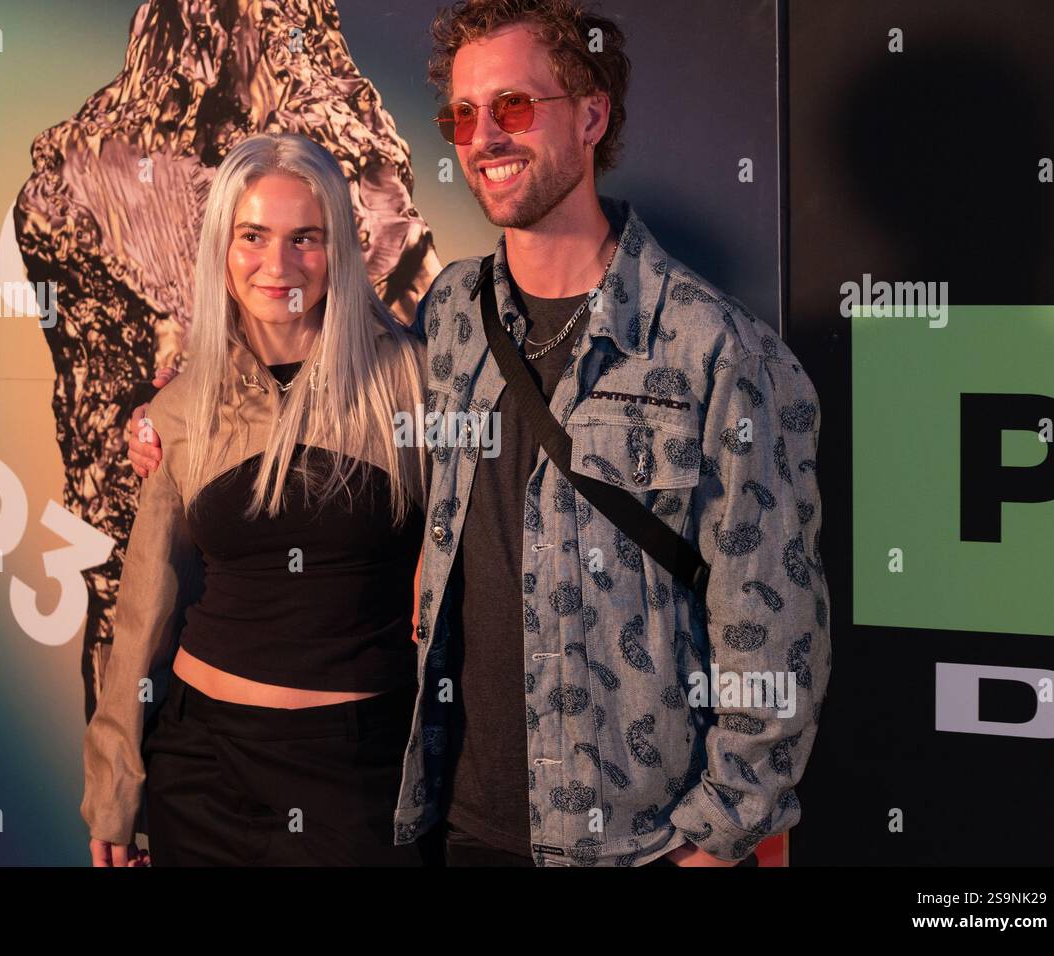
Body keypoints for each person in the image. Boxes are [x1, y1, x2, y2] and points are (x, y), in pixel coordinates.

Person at [131, 0, 831, 868]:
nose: (484, 136)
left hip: (633, 845)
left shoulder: (716, 351)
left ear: (591, 113)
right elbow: (318, 366)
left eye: (515, 106)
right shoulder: (453, 313)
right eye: (464, 114)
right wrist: (178, 415)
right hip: (456, 828)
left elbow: (776, 634)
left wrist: (718, 844)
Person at [84, 131, 430, 866]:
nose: (278, 265)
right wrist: (115, 788)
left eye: (305, 237)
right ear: (222, 248)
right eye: (253, 236)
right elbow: (146, 606)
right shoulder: (180, 406)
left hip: (358, 779)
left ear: (340, 243)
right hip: (201, 772)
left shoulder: (413, 384)